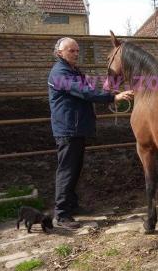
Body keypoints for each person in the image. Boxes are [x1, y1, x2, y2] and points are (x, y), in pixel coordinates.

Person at [48, 37, 134, 229]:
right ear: (60, 53)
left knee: (75, 168)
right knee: (67, 170)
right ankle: (61, 215)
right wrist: (113, 96)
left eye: (77, 51)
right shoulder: (60, 73)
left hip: (75, 127)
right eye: (71, 51)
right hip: (68, 129)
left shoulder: (71, 70)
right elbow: (84, 92)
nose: (76, 54)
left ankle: (71, 206)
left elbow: (87, 89)